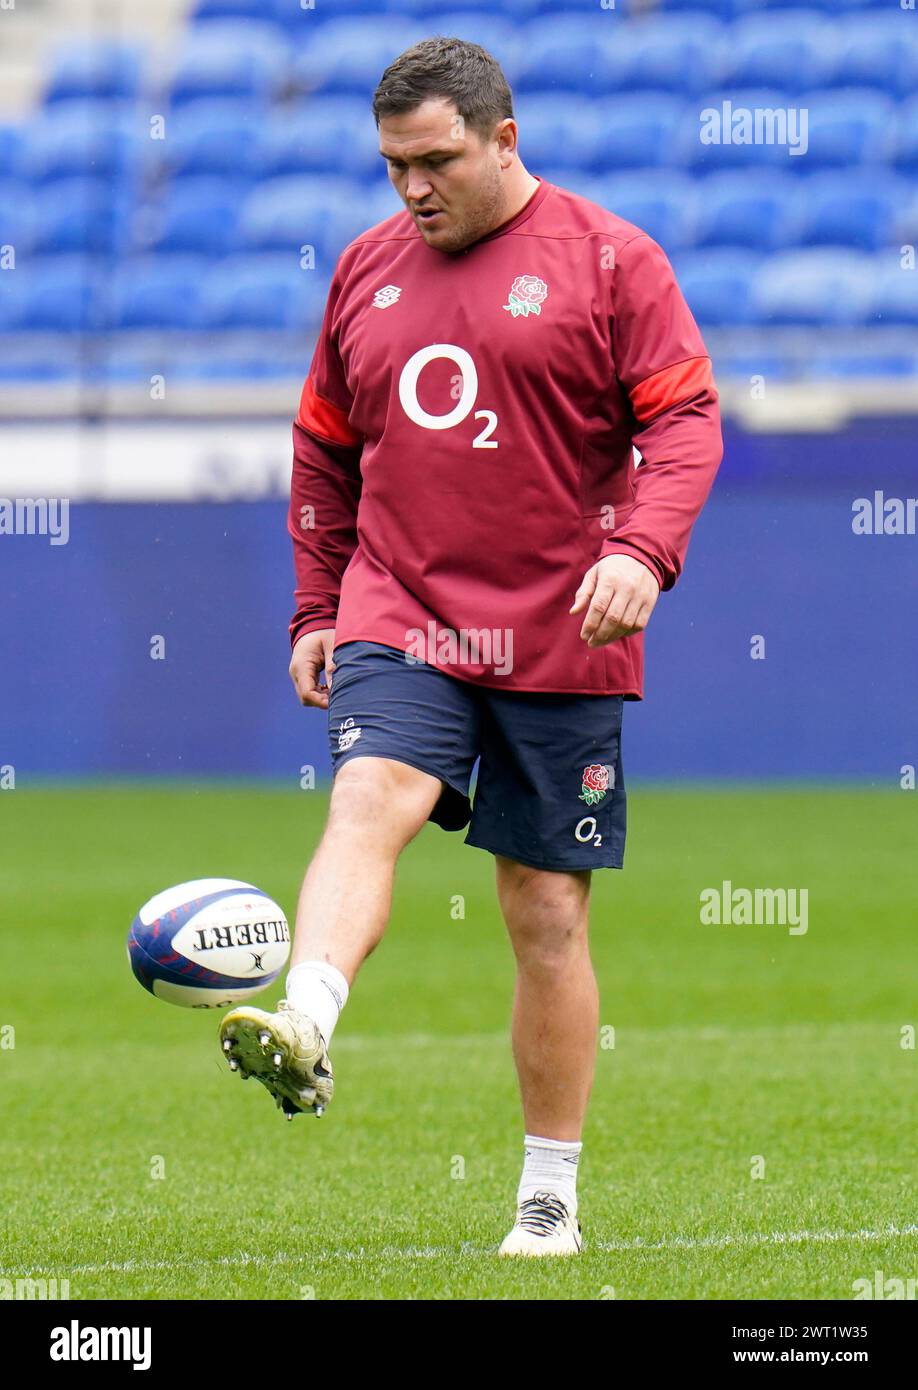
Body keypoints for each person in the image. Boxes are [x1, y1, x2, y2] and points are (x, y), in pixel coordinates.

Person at [219, 36, 722, 1257]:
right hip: (406, 608)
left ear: (505, 138)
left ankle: (548, 1191)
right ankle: (307, 1016)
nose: (412, 189)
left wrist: (639, 553)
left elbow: (689, 420)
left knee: (544, 908)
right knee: (371, 792)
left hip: (566, 619)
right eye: (393, 166)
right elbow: (324, 448)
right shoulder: (366, 270)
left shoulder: (611, 260)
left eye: (435, 160)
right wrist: (318, 605)